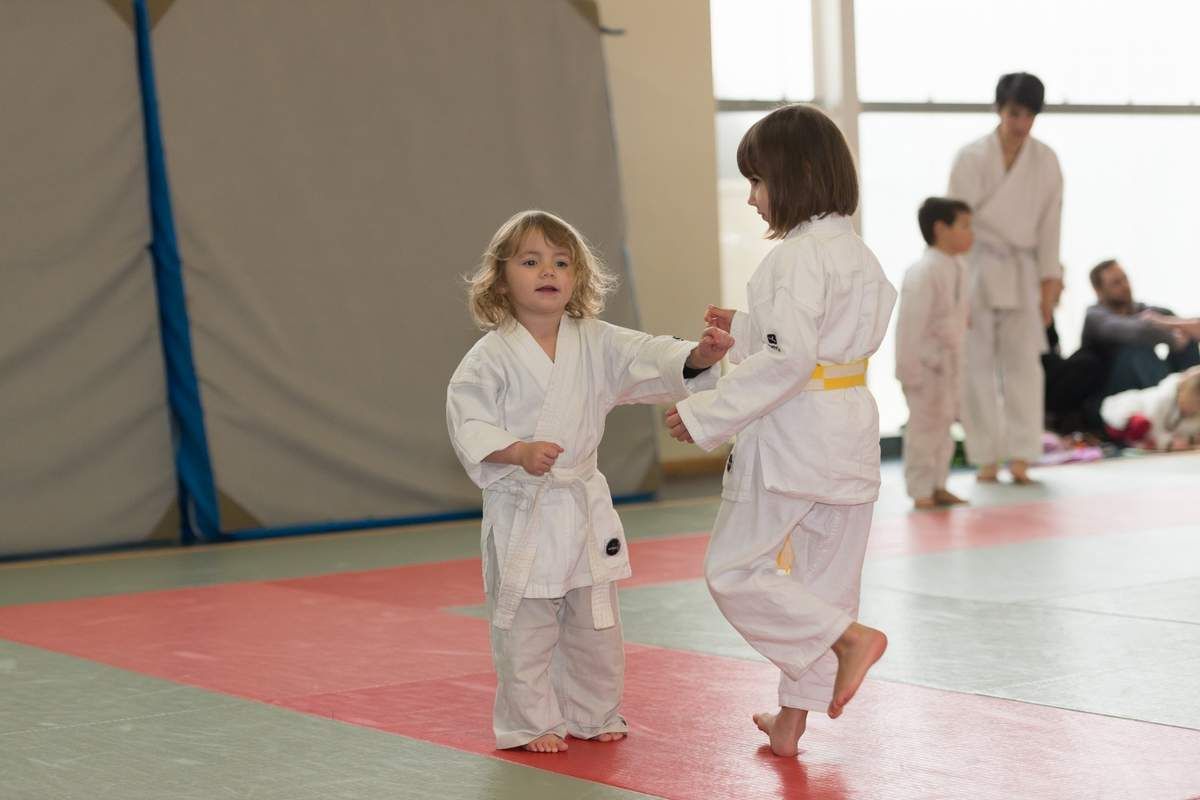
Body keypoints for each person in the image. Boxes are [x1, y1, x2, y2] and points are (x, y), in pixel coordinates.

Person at [446, 210, 732, 753]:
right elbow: (468, 421)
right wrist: (517, 450)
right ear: (501, 278)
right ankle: (531, 722)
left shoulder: (594, 340)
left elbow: (647, 355)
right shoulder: (488, 358)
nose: (547, 271)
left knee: (596, 625)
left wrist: (696, 357)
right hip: (523, 509)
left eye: (561, 262)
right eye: (530, 262)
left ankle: (593, 712)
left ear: (578, 277)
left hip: (580, 505)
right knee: (524, 628)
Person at [663, 104, 895, 758]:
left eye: (758, 180)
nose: (752, 197)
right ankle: (791, 723)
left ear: (796, 177)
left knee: (735, 571)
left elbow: (791, 359)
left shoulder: (792, 260)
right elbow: (822, 346)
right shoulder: (859, 254)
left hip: (793, 439)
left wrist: (707, 412)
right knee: (823, 587)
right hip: (847, 432)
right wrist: (747, 322)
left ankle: (850, 641)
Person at [948, 72, 1063, 484]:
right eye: (1015, 113)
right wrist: (954, 286)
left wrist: (1050, 285)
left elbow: (1051, 226)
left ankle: (1021, 454)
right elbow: (954, 227)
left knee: (1024, 368)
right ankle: (986, 457)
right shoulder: (970, 157)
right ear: (1000, 109)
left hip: (1022, 269)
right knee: (976, 366)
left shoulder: (1045, 160)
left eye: (1030, 115)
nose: (1022, 123)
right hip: (976, 265)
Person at [895, 197, 972, 509]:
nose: (971, 234)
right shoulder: (922, 272)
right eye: (965, 226)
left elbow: (957, 320)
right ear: (941, 228)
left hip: (949, 363)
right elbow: (909, 327)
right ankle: (920, 490)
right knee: (923, 430)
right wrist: (907, 371)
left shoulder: (960, 268)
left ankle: (939, 484)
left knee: (943, 430)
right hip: (923, 365)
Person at [1082, 259, 1200, 399]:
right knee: (1137, 349)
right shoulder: (1095, 316)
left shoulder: (1141, 309)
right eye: (1116, 283)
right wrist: (1172, 339)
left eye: (1125, 278)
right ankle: (1173, 402)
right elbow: (1137, 331)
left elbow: (1194, 326)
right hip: (1111, 394)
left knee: (1188, 339)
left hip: (1146, 385)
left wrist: (1166, 323)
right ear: (1099, 291)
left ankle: (1192, 397)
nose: (1125, 285)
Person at [1100, 366, 1200, 451]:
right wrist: (1169, 443)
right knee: (1139, 424)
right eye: (1191, 403)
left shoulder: (1195, 413)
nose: (1192, 409)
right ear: (1181, 393)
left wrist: (1191, 439)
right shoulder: (1162, 399)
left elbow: (1190, 431)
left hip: (1153, 429)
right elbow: (1155, 429)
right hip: (1124, 409)